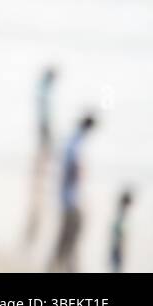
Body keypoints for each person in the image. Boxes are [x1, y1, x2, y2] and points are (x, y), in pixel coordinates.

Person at [49, 114, 96, 272]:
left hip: (67, 197)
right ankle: (61, 267)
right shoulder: (75, 142)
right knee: (68, 237)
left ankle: (62, 267)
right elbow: (74, 169)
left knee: (67, 237)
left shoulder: (72, 140)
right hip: (70, 199)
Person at [23, 66, 57, 245]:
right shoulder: (44, 90)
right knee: (44, 148)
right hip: (44, 125)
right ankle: (42, 168)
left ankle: (42, 166)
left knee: (43, 149)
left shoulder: (42, 87)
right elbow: (45, 115)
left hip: (42, 125)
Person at [109, 188, 133, 273]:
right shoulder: (121, 215)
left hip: (117, 247)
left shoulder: (121, 214)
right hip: (117, 247)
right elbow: (118, 232)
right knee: (116, 268)